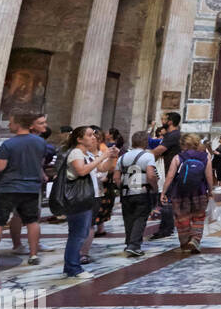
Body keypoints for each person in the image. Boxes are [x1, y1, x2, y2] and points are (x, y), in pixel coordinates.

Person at [62, 125, 118, 279]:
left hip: (89, 197)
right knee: (78, 234)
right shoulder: (76, 153)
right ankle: (73, 268)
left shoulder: (86, 154)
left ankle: (72, 266)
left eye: (93, 134)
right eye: (89, 135)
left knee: (82, 232)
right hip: (78, 198)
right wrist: (102, 155)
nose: (93, 137)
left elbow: (101, 168)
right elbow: (81, 171)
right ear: (79, 139)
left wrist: (111, 157)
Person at [0, 112, 46, 265]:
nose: (9, 125)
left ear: (18, 124)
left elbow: (0, 167)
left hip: (9, 186)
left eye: (11, 122)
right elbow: (39, 162)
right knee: (32, 221)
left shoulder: (9, 144)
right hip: (31, 187)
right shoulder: (40, 142)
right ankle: (34, 254)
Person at [161, 132, 214, 252]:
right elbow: (209, 176)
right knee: (198, 217)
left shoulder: (178, 157)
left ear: (183, 144)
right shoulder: (205, 156)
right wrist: (210, 190)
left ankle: (185, 242)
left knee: (182, 218)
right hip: (199, 192)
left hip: (179, 193)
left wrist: (164, 192)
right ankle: (195, 240)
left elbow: (170, 176)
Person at [114, 130, 158, 258]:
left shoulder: (122, 157)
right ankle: (134, 245)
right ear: (145, 142)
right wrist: (154, 188)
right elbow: (151, 175)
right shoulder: (148, 156)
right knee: (140, 218)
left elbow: (116, 177)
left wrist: (121, 188)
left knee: (128, 218)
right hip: (142, 191)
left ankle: (129, 243)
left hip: (126, 192)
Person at [153, 111, 182, 239]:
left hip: (172, 171)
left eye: (164, 119)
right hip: (169, 169)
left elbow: (159, 150)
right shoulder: (171, 135)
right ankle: (167, 227)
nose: (162, 120)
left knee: (166, 199)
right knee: (168, 199)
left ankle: (166, 228)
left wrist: (141, 156)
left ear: (170, 121)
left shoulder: (173, 135)